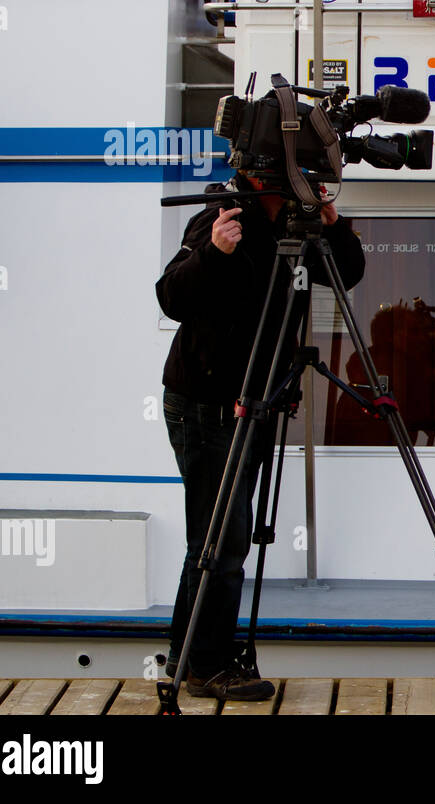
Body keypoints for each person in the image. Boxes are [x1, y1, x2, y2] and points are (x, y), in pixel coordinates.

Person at [156, 170, 366, 700]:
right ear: (268, 178)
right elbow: (171, 296)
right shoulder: (223, 217)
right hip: (207, 405)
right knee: (218, 540)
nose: (312, 185)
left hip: (252, 402)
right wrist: (215, 254)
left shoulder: (292, 226)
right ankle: (205, 666)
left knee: (216, 536)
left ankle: (190, 658)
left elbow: (348, 272)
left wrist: (332, 222)